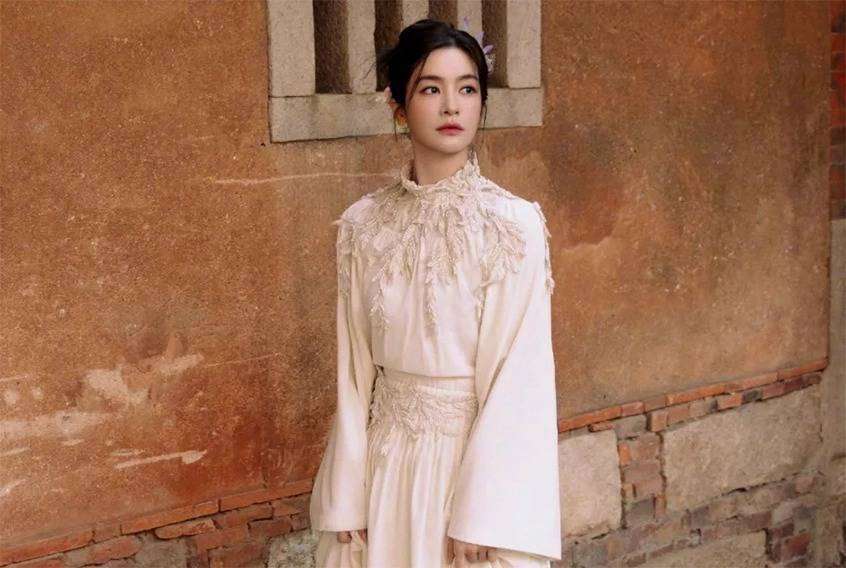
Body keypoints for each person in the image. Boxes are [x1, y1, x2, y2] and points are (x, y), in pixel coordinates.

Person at [308, 18, 561, 568]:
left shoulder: (511, 225)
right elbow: (354, 372)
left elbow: (520, 379)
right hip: (384, 465)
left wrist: (484, 514)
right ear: (398, 106)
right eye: (430, 89)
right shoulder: (363, 225)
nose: (452, 106)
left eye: (467, 89)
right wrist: (347, 493)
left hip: (467, 471)